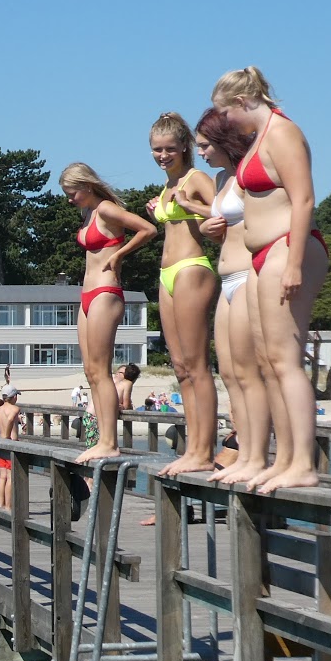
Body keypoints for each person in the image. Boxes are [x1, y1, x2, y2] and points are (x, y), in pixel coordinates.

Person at [215, 66, 328, 493]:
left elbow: (303, 197)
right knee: (267, 361)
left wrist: (295, 260)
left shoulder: (283, 131)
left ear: (242, 102)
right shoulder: (260, 139)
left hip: (287, 248)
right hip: (263, 254)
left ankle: (303, 461)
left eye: (225, 113)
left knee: (285, 359)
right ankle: (282, 460)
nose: (226, 123)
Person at [193, 107, 272, 486]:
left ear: (225, 141)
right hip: (225, 276)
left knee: (246, 371)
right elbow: (228, 227)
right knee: (227, 372)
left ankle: (256, 454)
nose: (202, 153)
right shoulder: (222, 177)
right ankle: (244, 450)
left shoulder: (248, 174)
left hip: (248, 274)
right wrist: (210, 229)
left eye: (206, 145)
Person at [60, 161, 156, 462]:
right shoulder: (88, 213)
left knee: (101, 370)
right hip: (87, 293)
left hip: (105, 291)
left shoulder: (105, 209)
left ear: (87, 186)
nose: (69, 199)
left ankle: (109, 441)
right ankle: (103, 437)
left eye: (72, 192)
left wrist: (119, 255)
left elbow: (148, 228)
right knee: (91, 370)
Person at [145, 111, 219, 476]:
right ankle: (193, 448)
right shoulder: (166, 185)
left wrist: (189, 205)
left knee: (196, 364)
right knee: (180, 367)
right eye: (156, 150)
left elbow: (225, 214)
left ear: (184, 146)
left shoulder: (196, 177)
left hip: (192, 269)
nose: (162, 155)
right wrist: (160, 209)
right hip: (166, 273)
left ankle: (204, 450)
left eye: (169, 149)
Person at [0, 384, 23, 510]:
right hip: (10, 443)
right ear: (13, 397)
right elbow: (11, 419)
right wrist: (7, 435)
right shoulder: (15, 409)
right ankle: (8, 506)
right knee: (11, 477)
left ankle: (1, 504)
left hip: (1, 443)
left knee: (2, 476)